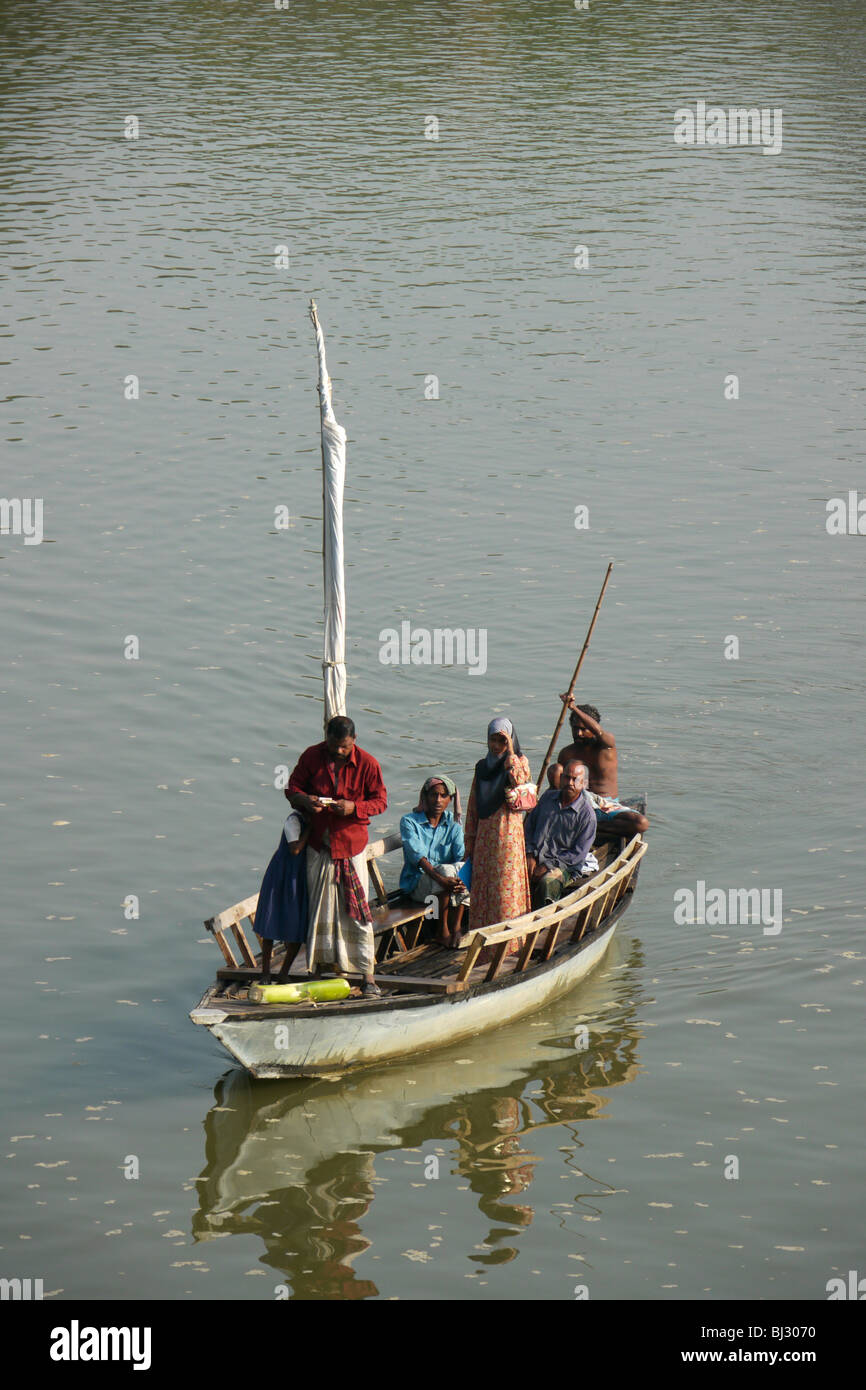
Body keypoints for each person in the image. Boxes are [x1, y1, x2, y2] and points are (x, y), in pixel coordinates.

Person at [287, 715, 388, 997]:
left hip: (351, 847)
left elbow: (380, 802)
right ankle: (319, 970)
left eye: (344, 746)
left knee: (356, 912)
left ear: (353, 740)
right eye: (334, 745)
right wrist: (306, 800)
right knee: (320, 910)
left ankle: (367, 976)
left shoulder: (368, 764)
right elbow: (292, 788)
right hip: (319, 845)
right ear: (326, 737)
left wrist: (353, 807)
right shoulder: (311, 756)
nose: (338, 751)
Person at [464, 717, 532, 943]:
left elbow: (519, 781)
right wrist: (470, 842)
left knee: (505, 890)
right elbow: (473, 806)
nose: (496, 746)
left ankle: (509, 944)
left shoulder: (519, 761)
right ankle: (483, 946)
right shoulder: (483, 767)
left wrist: (511, 753)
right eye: (492, 740)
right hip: (485, 838)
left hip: (507, 838)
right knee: (484, 891)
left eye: (501, 740)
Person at [549, 695, 649, 837]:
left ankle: (594, 827)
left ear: (592, 727)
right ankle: (584, 824)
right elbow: (561, 785)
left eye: (584, 729)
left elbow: (599, 732)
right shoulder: (567, 753)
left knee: (641, 823)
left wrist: (573, 708)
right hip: (579, 806)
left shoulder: (606, 746)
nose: (578, 733)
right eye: (575, 729)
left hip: (606, 806)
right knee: (556, 769)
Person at [400, 776, 469, 950]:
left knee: (465, 870)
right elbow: (419, 858)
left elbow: (460, 857)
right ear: (425, 797)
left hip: (446, 885)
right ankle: (442, 931)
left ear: (449, 800)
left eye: (443, 796)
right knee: (447, 870)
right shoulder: (409, 822)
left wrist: (458, 879)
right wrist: (442, 879)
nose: (438, 800)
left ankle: (456, 927)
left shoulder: (453, 824)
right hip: (418, 885)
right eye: (433, 795)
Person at [524, 761, 598, 908]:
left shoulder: (587, 816)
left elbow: (577, 855)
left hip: (564, 866)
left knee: (548, 882)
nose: (570, 783)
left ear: (584, 784)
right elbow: (529, 827)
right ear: (561, 778)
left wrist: (547, 866)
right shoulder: (548, 798)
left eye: (575, 779)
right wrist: (530, 853)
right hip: (535, 855)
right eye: (567, 778)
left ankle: (542, 923)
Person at [255, 809, 310, 982]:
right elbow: (295, 849)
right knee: (270, 922)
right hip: (282, 874)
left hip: (298, 875)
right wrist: (311, 829)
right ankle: (265, 973)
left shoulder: (308, 821)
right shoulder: (293, 821)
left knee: (298, 925)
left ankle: (283, 973)